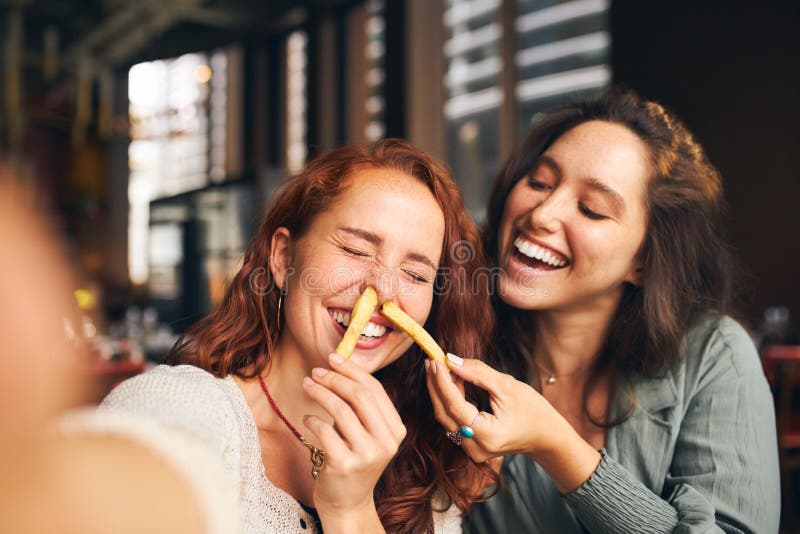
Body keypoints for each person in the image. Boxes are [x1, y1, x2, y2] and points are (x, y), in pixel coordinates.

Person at [426, 89, 780, 533]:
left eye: (591, 210)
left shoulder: (714, 354)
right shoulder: (453, 335)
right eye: (538, 182)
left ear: (644, 262)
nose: (542, 214)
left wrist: (556, 446)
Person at [98, 139, 494, 533]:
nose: (384, 291)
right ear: (284, 258)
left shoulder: (426, 469)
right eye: (356, 250)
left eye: (416, 274)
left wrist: (353, 511)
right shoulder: (173, 414)